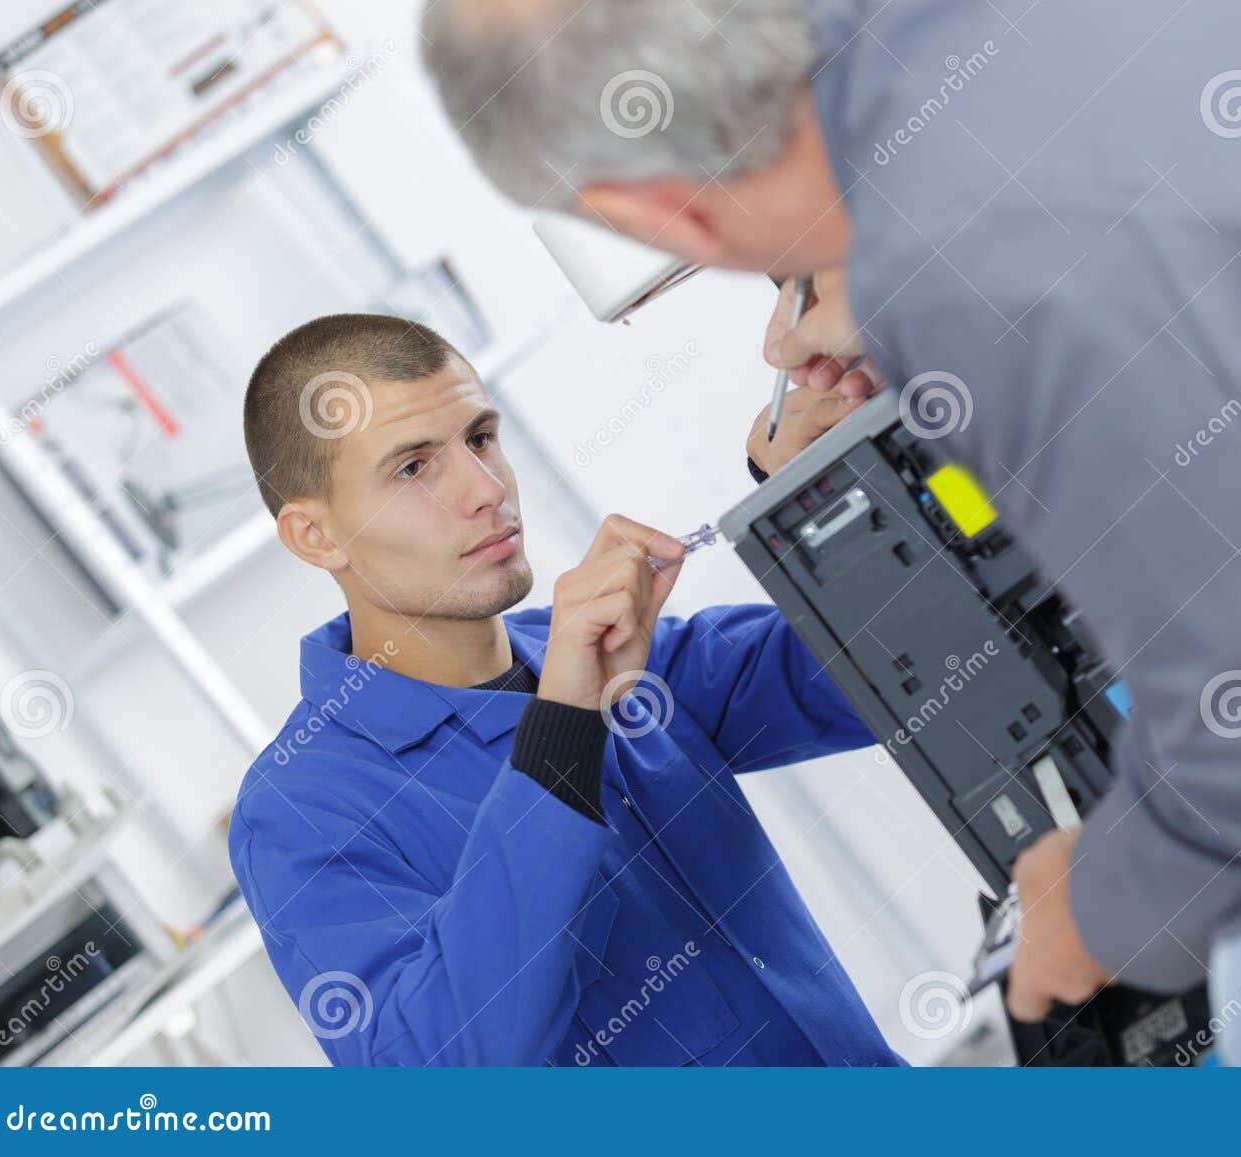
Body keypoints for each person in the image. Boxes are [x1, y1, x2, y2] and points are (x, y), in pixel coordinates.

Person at [420, 0, 1241, 1064]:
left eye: (473, 439)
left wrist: (1100, 904)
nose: (782, 341)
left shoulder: (981, 247)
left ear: (650, 210)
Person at [228, 313, 901, 1066]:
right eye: (413, 468)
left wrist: (824, 493)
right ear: (315, 536)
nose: (487, 490)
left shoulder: (617, 652)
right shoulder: (299, 808)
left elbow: (893, 663)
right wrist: (565, 731)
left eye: (480, 438)